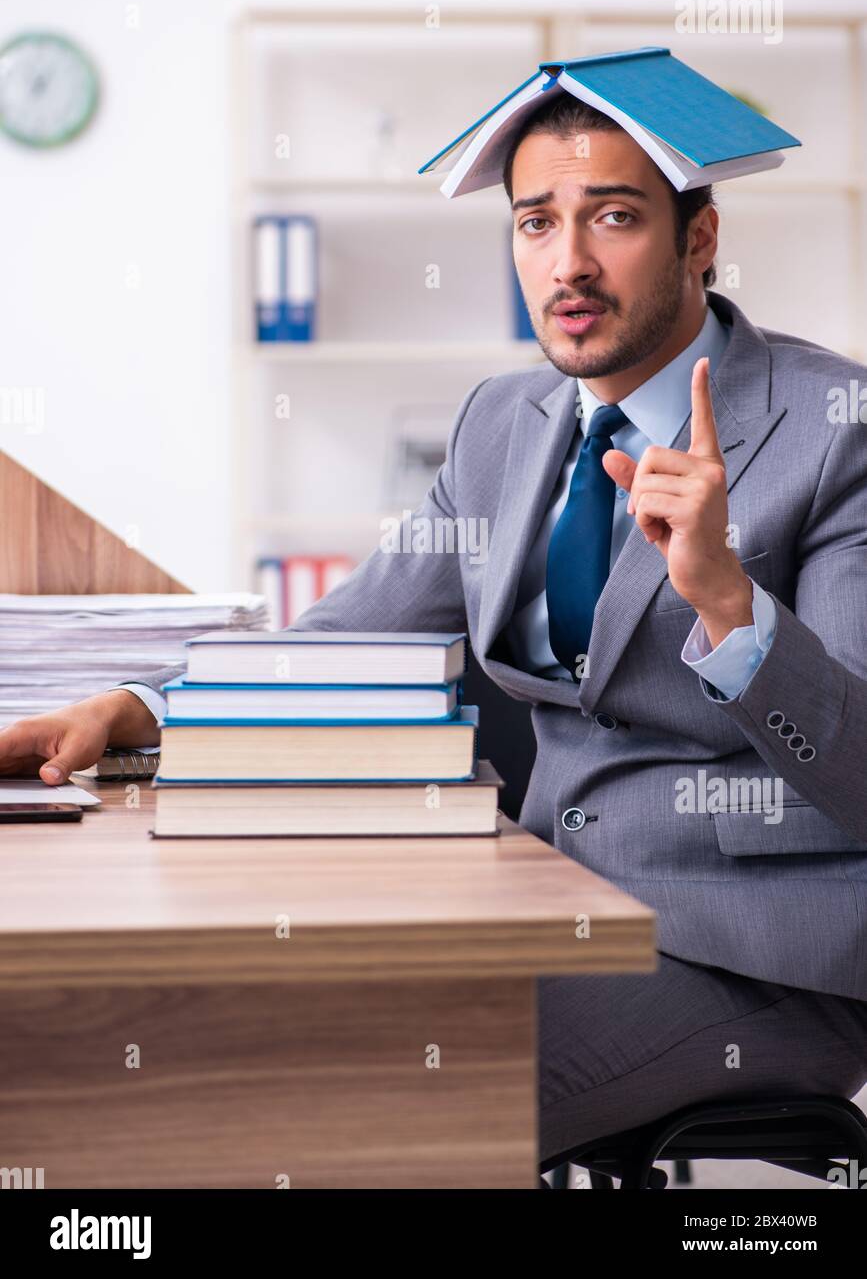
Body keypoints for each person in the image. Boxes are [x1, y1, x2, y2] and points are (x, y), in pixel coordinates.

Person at [3, 92, 866, 1169]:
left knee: (348, 1116)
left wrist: (729, 607)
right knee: (234, 1038)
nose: (569, 266)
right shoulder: (506, 424)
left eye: (613, 217)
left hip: (762, 956)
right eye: (537, 222)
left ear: (700, 236)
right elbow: (342, 636)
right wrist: (131, 705)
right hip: (547, 904)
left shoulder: (834, 431)